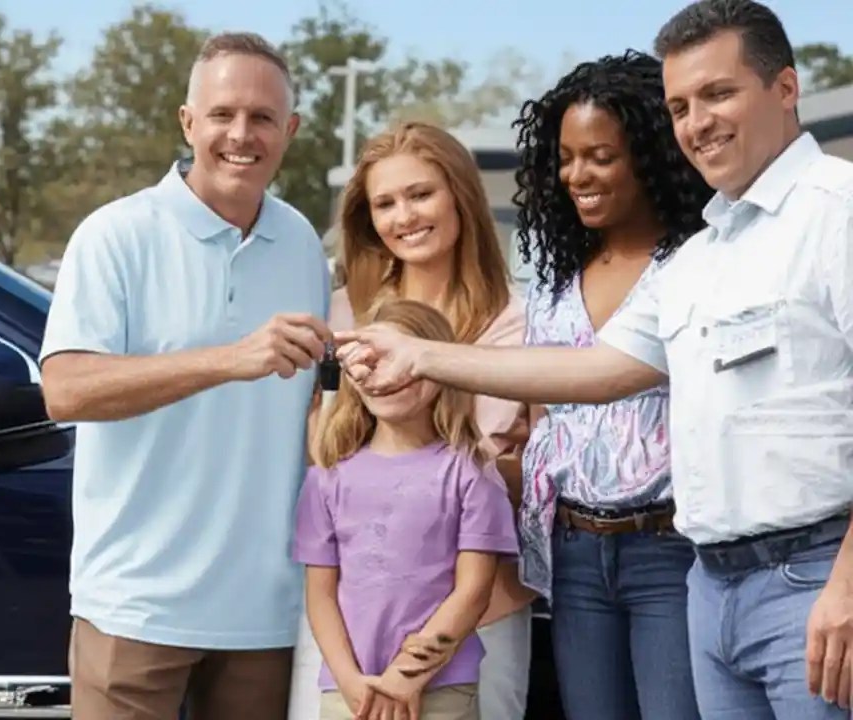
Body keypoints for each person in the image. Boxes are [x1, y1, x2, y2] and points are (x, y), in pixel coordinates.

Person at [333, 1, 853, 718]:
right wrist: (420, 354)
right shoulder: (706, 254)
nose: (697, 122)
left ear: (786, 88)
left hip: (807, 573)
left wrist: (846, 584)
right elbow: (593, 371)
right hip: (709, 582)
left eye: (718, 94)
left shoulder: (836, 212)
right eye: (680, 106)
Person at [38, 31, 332, 719]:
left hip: (266, 613)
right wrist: (229, 359)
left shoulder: (301, 244)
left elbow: (318, 406)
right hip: (134, 607)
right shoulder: (114, 236)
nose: (241, 134)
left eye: (263, 118)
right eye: (222, 114)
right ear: (188, 121)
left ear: (289, 131)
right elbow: (65, 391)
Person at [310, 119, 536, 720]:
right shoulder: (340, 317)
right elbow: (322, 450)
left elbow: (543, 468)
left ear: (459, 195)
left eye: (420, 194)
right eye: (385, 203)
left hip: (482, 613)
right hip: (355, 623)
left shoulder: (523, 323)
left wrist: (490, 475)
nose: (404, 216)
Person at [510, 50, 711, 719]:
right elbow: (541, 417)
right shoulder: (552, 283)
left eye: (601, 156)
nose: (577, 175)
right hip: (572, 550)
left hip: (671, 549)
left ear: (652, 156)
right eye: (566, 158)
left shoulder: (695, 266)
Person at [294, 299, 520, 720]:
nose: (385, 375)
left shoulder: (472, 475)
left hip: (442, 690)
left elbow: (473, 591)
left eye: (399, 360)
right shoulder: (326, 478)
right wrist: (350, 681)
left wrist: (405, 678)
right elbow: (320, 594)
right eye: (369, 362)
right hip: (348, 693)